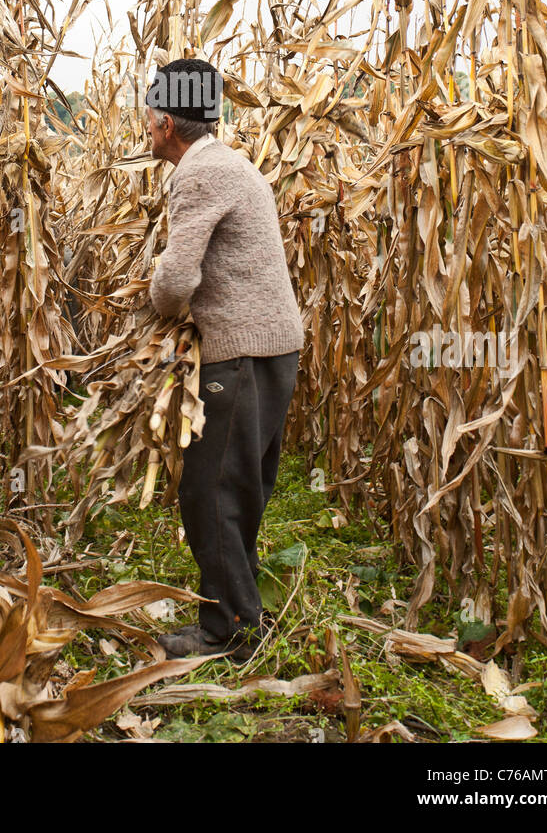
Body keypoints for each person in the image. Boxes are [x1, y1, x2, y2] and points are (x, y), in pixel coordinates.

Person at [144, 58, 305, 661]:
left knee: (210, 491)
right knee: (241, 489)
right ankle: (238, 610)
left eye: (150, 119)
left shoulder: (200, 173)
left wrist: (156, 294)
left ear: (165, 123)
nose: (148, 129)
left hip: (239, 353)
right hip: (273, 348)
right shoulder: (230, 162)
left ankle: (231, 632)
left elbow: (177, 278)